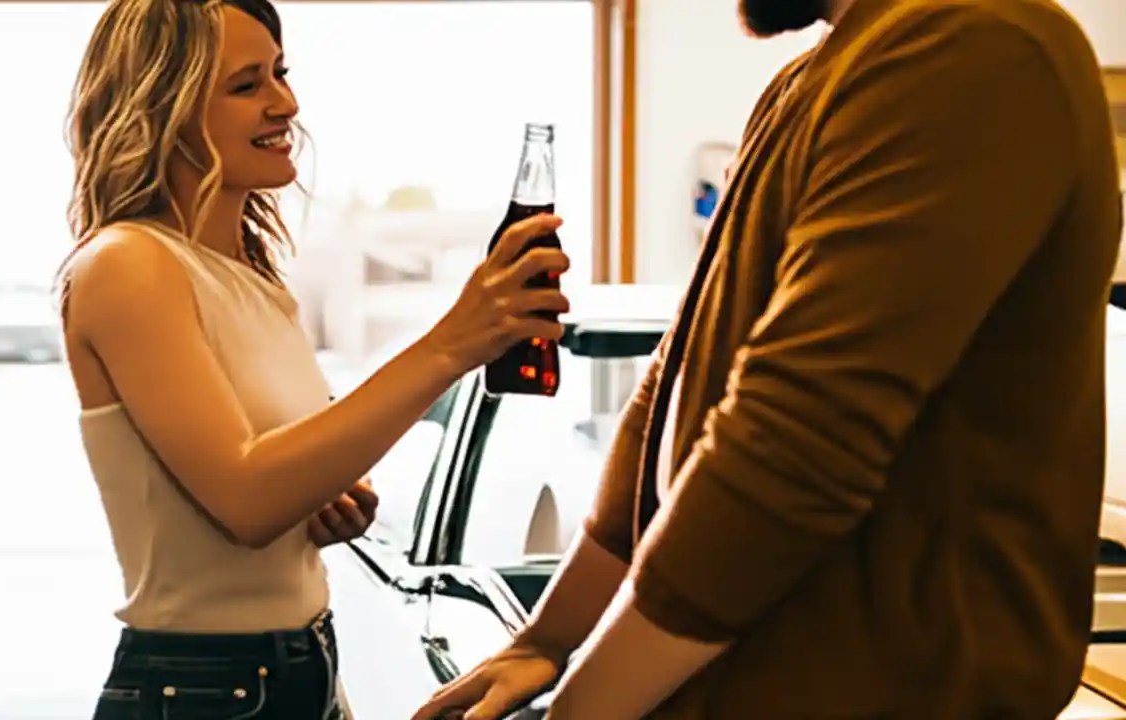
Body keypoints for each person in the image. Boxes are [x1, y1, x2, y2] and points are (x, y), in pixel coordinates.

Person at [413, 0, 1123, 717]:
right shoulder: (808, 82)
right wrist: (547, 640)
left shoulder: (975, 45)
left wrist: (581, 711)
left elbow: (799, 439)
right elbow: (672, 394)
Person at [55, 0, 571, 717]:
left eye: (281, 74)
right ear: (163, 108)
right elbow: (247, 500)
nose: (286, 104)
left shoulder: (253, 278)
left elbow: (263, 479)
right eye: (246, 86)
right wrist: (455, 342)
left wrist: (323, 495)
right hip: (204, 688)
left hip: (300, 670)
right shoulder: (126, 265)